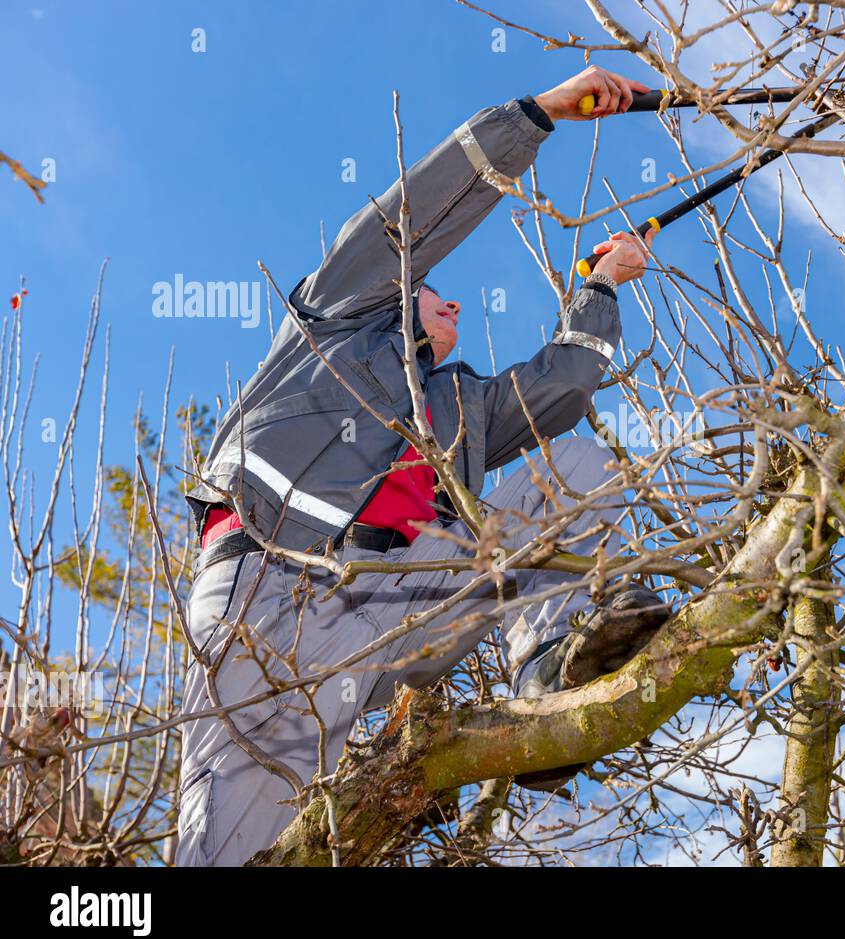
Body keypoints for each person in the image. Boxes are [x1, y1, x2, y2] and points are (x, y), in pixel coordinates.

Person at [177, 66, 669, 866]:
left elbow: (565, 385)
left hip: (401, 600)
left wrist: (604, 284)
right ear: (395, 293)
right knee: (229, 849)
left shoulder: (463, 412)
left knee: (571, 464)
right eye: (436, 291)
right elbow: (419, 210)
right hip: (266, 594)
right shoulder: (334, 323)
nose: (457, 305)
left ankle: (550, 669)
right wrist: (538, 114)